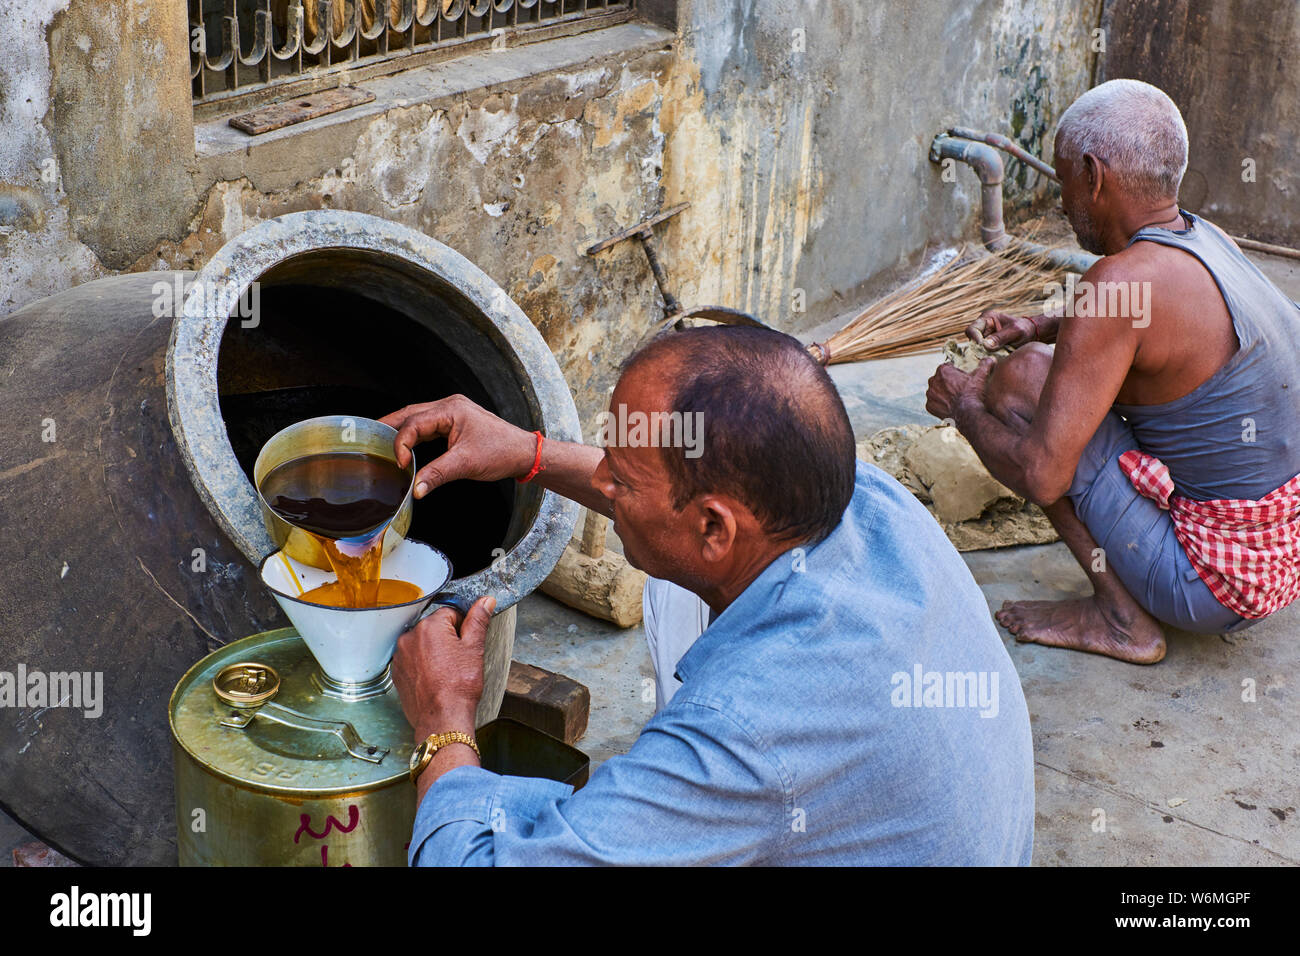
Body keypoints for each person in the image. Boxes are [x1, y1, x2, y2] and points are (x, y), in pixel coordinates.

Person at [384, 325, 1035, 865]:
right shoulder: (862, 496)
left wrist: (443, 720)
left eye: (623, 475)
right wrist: (530, 454)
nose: (603, 477)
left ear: (715, 529)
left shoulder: (743, 736)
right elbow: (662, 492)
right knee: (676, 596)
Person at [926, 79, 1300, 665]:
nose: (1062, 200)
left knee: (1020, 380)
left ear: (1094, 176)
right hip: (1277, 564)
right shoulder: (1208, 240)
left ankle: (1124, 620)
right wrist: (1043, 323)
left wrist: (965, 406)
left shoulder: (1118, 284)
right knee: (1045, 362)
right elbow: (1145, 322)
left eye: (1064, 178)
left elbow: (1041, 477)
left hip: (1209, 588)